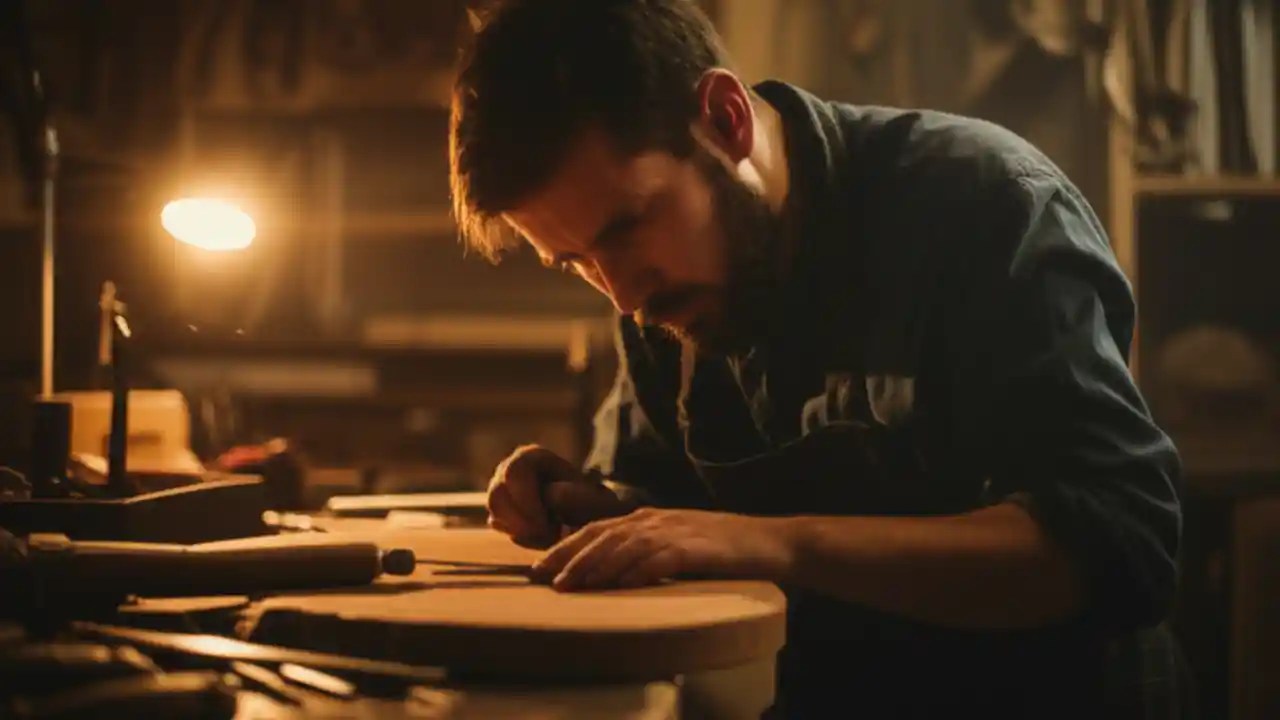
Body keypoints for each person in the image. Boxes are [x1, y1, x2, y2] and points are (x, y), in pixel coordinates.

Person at [448, 1, 1187, 717]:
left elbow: (1119, 542)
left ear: (726, 121)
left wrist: (770, 542)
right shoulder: (662, 288)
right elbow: (663, 497)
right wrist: (594, 509)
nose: (623, 295)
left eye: (627, 227)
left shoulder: (985, 206)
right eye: (575, 261)